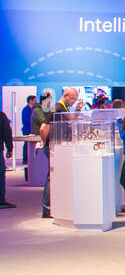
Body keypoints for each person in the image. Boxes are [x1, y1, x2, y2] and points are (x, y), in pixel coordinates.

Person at [41, 87, 78, 218]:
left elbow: (71, 122)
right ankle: (47, 208)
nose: (74, 102)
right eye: (73, 99)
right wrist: (46, 144)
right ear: (66, 96)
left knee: (56, 177)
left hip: (60, 147)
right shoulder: (56, 108)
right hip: (54, 148)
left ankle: (53, 207)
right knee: (52, 177)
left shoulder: (63, 108)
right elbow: (44, 127)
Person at [0, 108, 12, 209]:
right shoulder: (1, 116)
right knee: (0, 175)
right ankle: (0, 200)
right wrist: (9, 148)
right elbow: (6, 133)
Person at [20, 94, 35, 169]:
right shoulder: (25, 109)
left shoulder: (34, 109)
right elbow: (25, 120)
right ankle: (25, 159)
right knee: (26, 144)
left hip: (33, 130)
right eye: (34, 100)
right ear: (30, 100)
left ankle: (31, 159)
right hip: (27, 130)